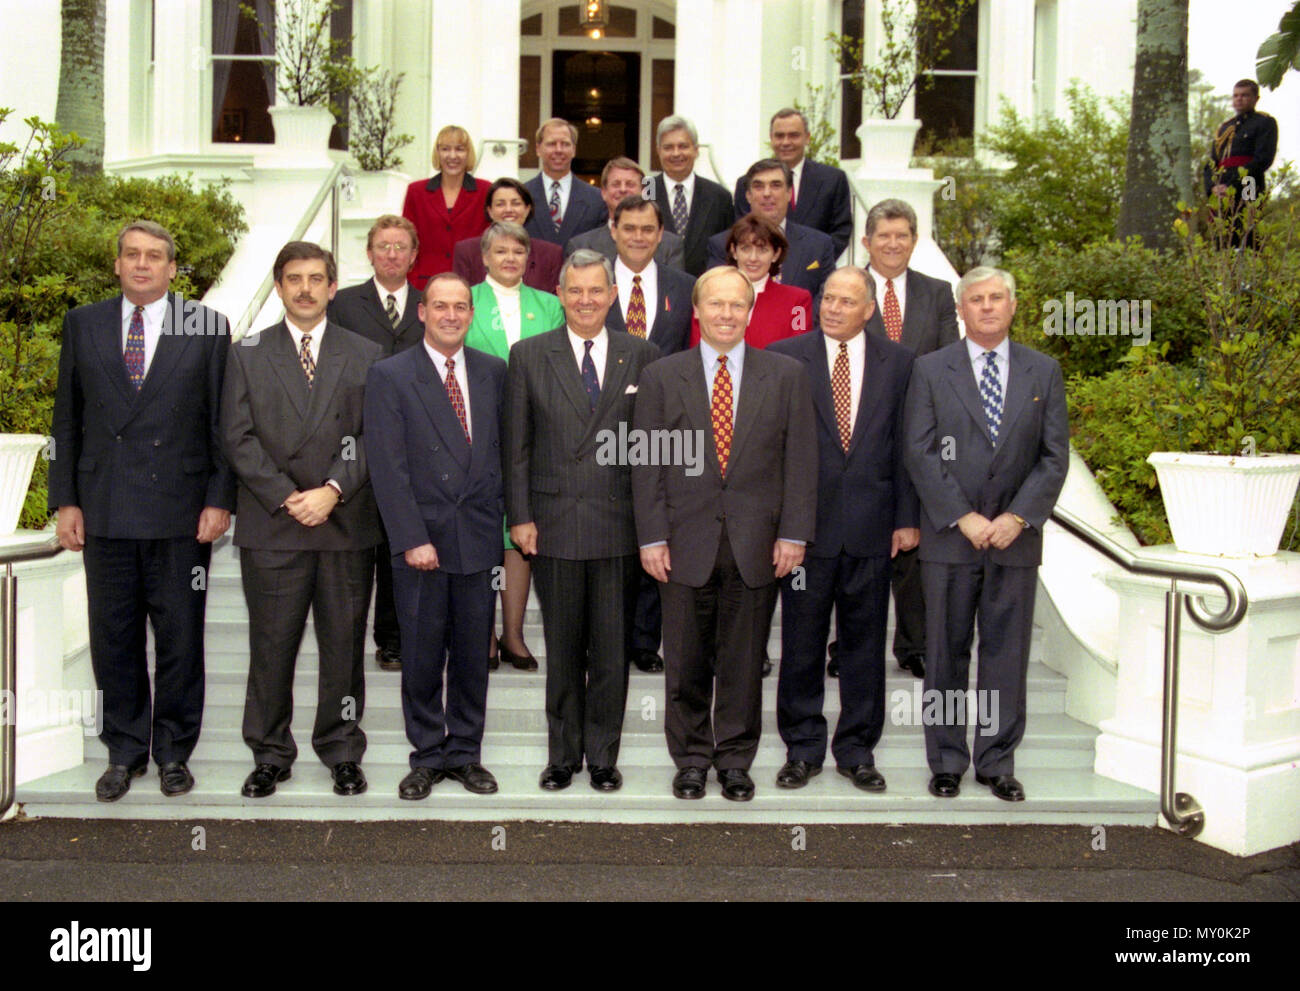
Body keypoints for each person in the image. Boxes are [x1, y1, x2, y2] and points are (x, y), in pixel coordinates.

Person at [49, 220, 236, 802]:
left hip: (181, 514)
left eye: (154, 256)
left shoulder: (206, 327)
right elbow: (67, 419)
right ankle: (125, 751)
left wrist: (219, 498)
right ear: (116, 264)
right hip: (104, 510)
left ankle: (174, 751)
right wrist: (65, 500)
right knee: (114, 637)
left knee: (181, 637)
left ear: (173, 268)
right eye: (131, 255)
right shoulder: (84, 323)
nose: (141, 265)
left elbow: (222, 424)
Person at [633, 266, 817, 802]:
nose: (726, 314)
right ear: (696, 310)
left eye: (737, 305)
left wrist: (794, 534)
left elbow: (801, 461)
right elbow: (646, 465)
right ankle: (691, 759)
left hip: (758, 544)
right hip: (682, 542)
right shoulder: (664, 375)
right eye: (716, 304)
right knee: (685, 661)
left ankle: (735, 760)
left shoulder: (785, 374)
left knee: (742, 661)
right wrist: (651, 537)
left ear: (751, 311)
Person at [221, 241, 383, 799]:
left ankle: (341, 749)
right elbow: (236, 437)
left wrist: (332, 490)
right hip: (275, 525)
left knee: (343, 646)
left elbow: (374, 434)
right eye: (295, 278)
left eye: (317, 278)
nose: (306, 288)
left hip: (344, 524)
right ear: (279, 285)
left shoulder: (366, 352)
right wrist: (289, 496)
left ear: (333, 287)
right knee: (272, 646)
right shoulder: (247, 352)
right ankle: (269, 752)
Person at [902, 267, 1069, 802]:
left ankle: (997, 761)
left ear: (1014, 305)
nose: (988, 307)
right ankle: (947, 761)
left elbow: (1053, 457)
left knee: (1005, 655)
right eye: (977, 299)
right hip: (951, 539)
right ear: (961, 309)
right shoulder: (930, 369)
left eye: (997, 298)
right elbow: (920, 451)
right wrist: (963, 516)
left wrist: (1018, 517)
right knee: (945, 654)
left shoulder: (1043, 372)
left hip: (1015, 540)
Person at [503, 250, 660, 792]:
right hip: (553, 524)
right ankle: (562, 756)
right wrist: (519, 517)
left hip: (620, 527)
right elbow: (516, 447)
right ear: (561, 295)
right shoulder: (527, 355)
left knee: (612, 650)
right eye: (575, 291)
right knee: (564, 646)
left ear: (613, 295)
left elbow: (654, 447)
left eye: (596, 291)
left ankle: (603, 757)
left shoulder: (643, 354)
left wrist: (655, 527)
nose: (586, 301)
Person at [767, 268, 917, 792]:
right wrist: (783, 524)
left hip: (874, 532)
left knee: (864, 646)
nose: (832, 308)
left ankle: (857, 751)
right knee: (802, 646)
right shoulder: (785, 356)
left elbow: (907, 446)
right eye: (827, 298)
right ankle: (802, 749)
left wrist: (906, 517)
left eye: (846, 300)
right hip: (805, 534)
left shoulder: (899, 363)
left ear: (869, 309)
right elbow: (773, 448)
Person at [364, 273, 508, 799]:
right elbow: (387, 464)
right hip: (422, 541)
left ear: (472, 314)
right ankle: (426, 755)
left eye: (461, 306)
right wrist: (410, 537)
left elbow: (503, 453)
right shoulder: (390, 375)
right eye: (441, 306)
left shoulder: (494, 373)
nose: (451, 315)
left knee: (473, 655)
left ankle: (466, 753)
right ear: (422, 311)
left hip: (477, 537)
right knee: (422, 654)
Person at [836, 198, 959, 681]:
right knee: (848, 550)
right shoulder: (843, 287)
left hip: (917, 438)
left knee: (911, 544)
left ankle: (914, 643)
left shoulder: (938, 292)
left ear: (914, 240)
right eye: (883, 235)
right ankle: (843, 645)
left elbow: (950, 363)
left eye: (902, 235)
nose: (892, 244)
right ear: (865, 241)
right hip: (852, 437)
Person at [603, 195, 696, 676]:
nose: (638, 236)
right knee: (619, 531)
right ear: (613, 229)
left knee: (661, 528)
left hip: (672, 429)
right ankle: (612, 637)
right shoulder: (594, 286)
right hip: (608, 427)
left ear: (662, 235)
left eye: (647, 229)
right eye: (629, 227)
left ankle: (646, 639)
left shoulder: (685, 287)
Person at [465, 221, 564, 671]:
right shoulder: (465, 300)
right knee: (484, 532)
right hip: (475, 435)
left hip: (536, 435)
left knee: (518, 533)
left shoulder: (548, 305)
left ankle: (514, 635)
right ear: (484, 257)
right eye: (500, 251)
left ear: (530, 259)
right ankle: (482, 635)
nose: (509, 259)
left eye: (518, 252)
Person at [327, 214, 424, 673]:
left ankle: (395, 638)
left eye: (400, 246)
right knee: (359, 547)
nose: (391, 254)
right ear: (369, 253)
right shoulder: (344, 303)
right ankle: (347, 640)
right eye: (383, 246)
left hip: (416, 441)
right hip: (357, 439)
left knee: (399, 544)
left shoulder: (429, 304)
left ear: (413, 255)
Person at [710, 158, 836, 304]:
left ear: (789, 193)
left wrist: (800, 325)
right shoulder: (722, 244)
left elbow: (827, 297)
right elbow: (715, 297)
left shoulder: (819, 245)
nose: (767, 193)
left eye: (776, 185)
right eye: (758, 187)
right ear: (748, 196)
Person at [732, 108, 853, 258]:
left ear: (807, 138)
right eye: (779, 136)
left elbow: (840, 231)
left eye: (794, 135)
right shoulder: (747, 183)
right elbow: (742, 231)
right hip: (762, 270)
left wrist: (810, 263)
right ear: (771, 138)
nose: (786, 142)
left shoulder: (833, 180)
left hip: (813, 271)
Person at [690, 214, 813, 351]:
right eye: (746, 249)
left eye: (762, 250)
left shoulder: (797, 301)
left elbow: (799, 351)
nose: (753, 258)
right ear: (734, 251)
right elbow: (697, 348)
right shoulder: (708, 295)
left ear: (776, 254)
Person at [401, 125, 490, 290]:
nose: (452, 156)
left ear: (468, 153)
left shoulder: (486, 191)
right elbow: (407, 240)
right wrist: (412, 280)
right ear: (438, 153)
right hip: (425, 284)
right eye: (445, 149)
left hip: (472, 284)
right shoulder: (416, 191)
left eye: (460, 149)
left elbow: (491, 242)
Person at [566, 156, 686, 270]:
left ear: (643, 192)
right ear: (603, 193)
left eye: (630, 184)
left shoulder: (670, 245)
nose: (623, 189)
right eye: (616, 184)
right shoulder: (581, 246)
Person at [651, 115, 735, 276]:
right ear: (658, 151)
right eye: (668, 147)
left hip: (705, 290)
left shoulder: (719, 196)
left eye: (683, 146)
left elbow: (727, 250)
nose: (676, 153)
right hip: (656, 289)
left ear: (696, 150)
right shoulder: (646, 190)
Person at [453, 177, 565, 292]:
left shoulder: (551, 255)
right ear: (490, 211)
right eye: (500, 204)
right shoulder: (466, 252)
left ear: (527, 209)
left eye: (516, 203)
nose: (508, 209)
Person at [1203, 78, 1278, 248]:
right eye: (1236, 95)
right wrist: (1212, 187)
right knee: (1221, 236)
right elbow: (1210, 164)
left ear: (1255, 99)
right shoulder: (1225, 128)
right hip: (1221, 189)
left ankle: (1251, 271)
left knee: (1246, 230)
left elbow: (1262, 160)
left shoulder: (1265, 123)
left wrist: (1231, 186)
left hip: (1249, 183)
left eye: (1244, 95)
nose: (1239, 99)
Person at [523, 118, 608, 250]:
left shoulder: (597, 199)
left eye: (565, 144)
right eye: (551, 144)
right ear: (538, 149)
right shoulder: (521, 196)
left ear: (574, 150)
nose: (559, 150)